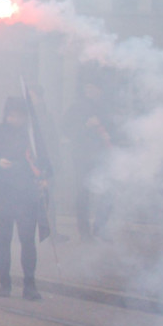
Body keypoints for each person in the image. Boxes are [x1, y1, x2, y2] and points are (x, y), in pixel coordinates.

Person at [0, 97, 46, 300]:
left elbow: (46, 162)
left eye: (20, 115)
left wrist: (44, 178)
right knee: (4, 238)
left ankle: (30, 285)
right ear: (6, 114)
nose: (15, 119)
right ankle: (4, 283)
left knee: (27, 239)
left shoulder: (32, 136)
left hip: (26, 194)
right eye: (12, 115)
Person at [65, 82, 113, 240]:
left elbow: (114, 129)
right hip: (83, 157)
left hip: (104, 156)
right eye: (87, 88)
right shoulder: (77, 108)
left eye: (93, 88)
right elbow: (67, 130)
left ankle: (100, 228)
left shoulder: (107, 107)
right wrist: (86, 125)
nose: (89, 91)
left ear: (100, 89)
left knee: (107, 192)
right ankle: (84, 231)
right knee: (83, 194)